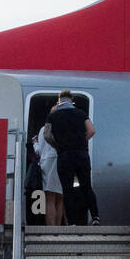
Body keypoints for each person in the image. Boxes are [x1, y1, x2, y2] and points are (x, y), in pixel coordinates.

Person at [47, 89, 98, 225]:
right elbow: (92, 130)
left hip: (64, 155)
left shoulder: (53, 115)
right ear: (71, 101)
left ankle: (72, 222)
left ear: (59, 101)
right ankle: (95, 217)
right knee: (86, 187)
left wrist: (58, 146)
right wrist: (82, 142)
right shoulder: (81, 113)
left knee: (67, 189)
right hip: (81, 154)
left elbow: (47, 134)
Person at [34, 122, 64, 226]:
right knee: (60, 197)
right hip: (61, 161)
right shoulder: (62, 128)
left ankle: (51, 228)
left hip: (47, 163)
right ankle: (58, 227)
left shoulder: (43, 129)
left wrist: (34, 143)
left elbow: (39, 151)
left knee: (50, 197)